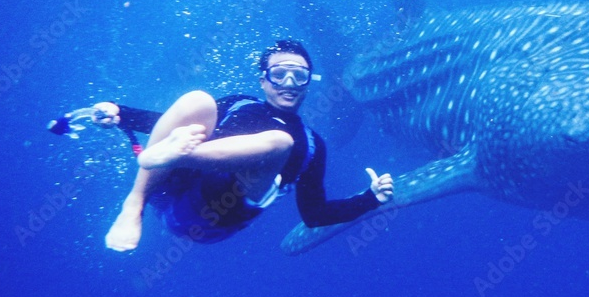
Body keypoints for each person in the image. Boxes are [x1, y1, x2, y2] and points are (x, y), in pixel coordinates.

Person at [95, 39, 393, 251]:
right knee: (197, 101)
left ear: (307, 84)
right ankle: (134, 203)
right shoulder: (239, 102)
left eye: (299, 76)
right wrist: (119, 113)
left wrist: (371, 198)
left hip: (209, 216)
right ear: (263, 81)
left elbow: (314, 215)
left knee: (279, 142)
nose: (288, 82)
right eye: (279, 74)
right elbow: (169, 122)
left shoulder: (312, 144)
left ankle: (180, 155)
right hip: (169, 189)